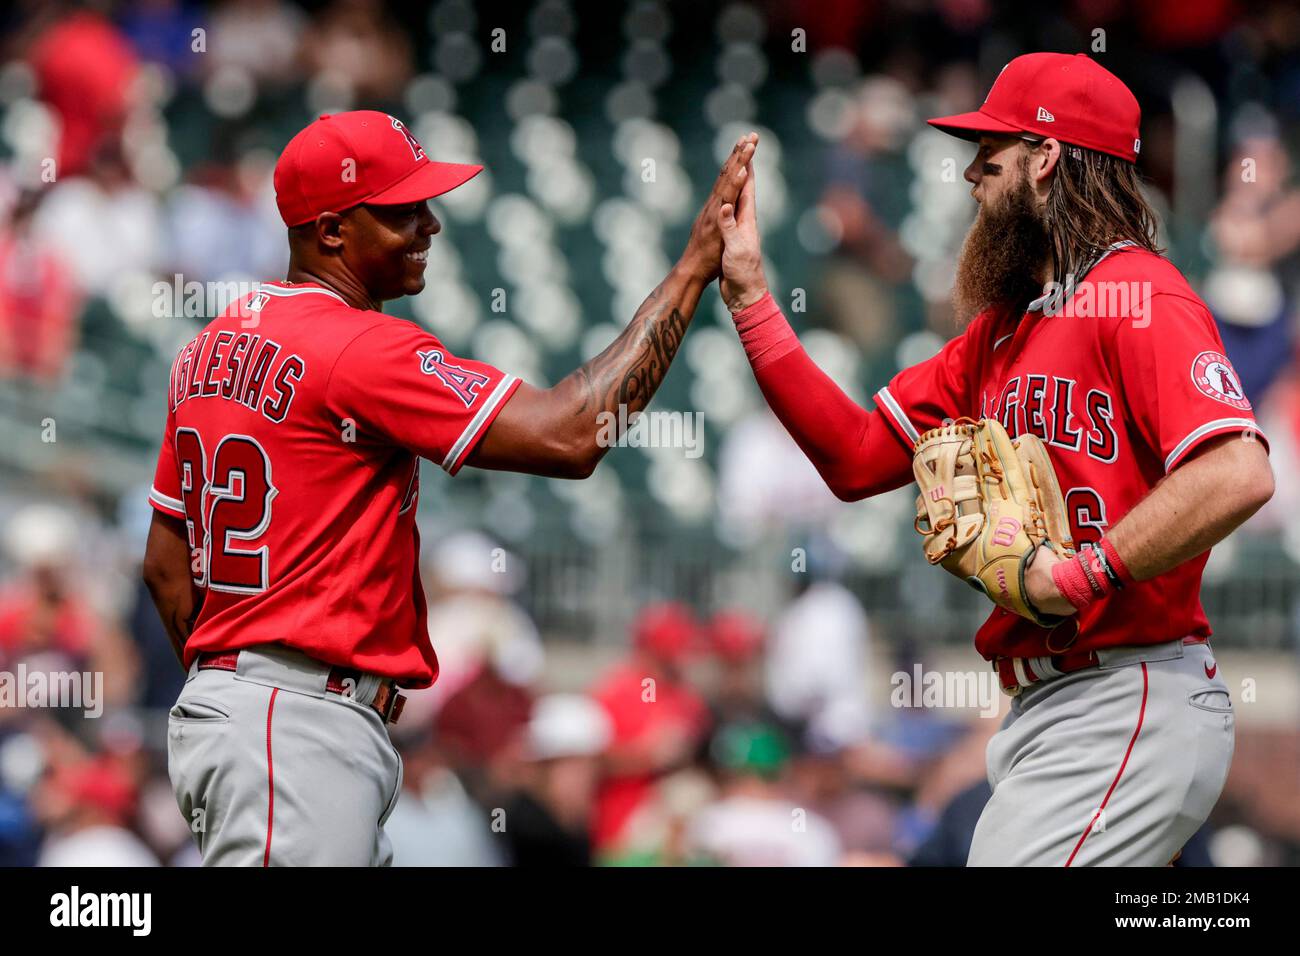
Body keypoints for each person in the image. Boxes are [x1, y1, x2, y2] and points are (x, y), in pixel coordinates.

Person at [142, 110, 758, 866]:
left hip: (253, 711)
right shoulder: (359, 348)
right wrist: (693, 270)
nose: (429, 223)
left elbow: (167, 567)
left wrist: (229, 689)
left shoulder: (207, 347)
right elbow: (570, 435)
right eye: (402, 209)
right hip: (293, 722)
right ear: (332, 231)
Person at [715, 53, 1275, 866]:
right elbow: (854, 458)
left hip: (1130, 693)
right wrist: (752, 300)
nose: (971, 171)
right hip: (1048, 707)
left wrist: (1082, 574)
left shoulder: (1139, 296)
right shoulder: (1000, 335)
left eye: (992, 150)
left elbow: (1238, 470)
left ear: (1047, 158)